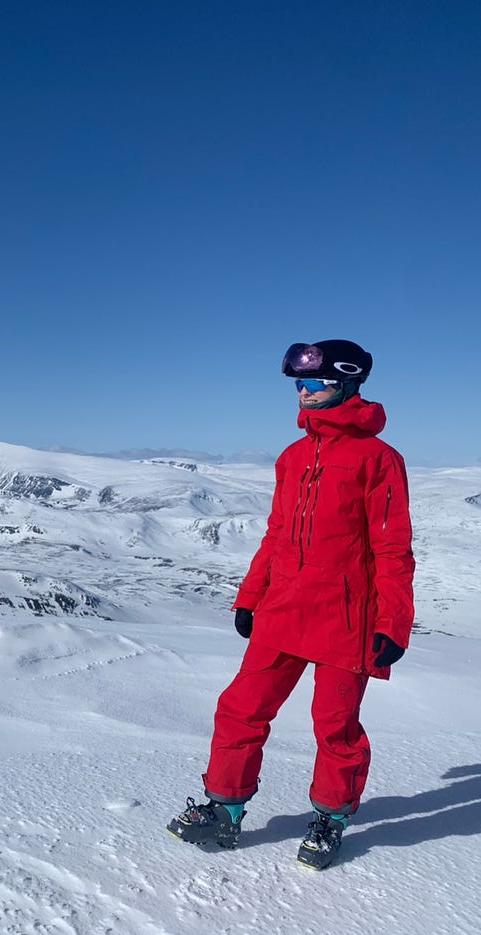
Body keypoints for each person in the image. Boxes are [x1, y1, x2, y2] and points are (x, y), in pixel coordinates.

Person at [167, 339, 415, 870]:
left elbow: (393, 548)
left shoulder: (379, 461)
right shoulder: (293, 457)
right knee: (240, 709)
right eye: (298, 384)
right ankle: (223, 809)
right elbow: (277, 533)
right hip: (282, 610)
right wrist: (251, 595)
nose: (302, 393)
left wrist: (394, 622)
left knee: (335, 725)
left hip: (346, 619)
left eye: (313, 383)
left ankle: (331, 817)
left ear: (348, 384)